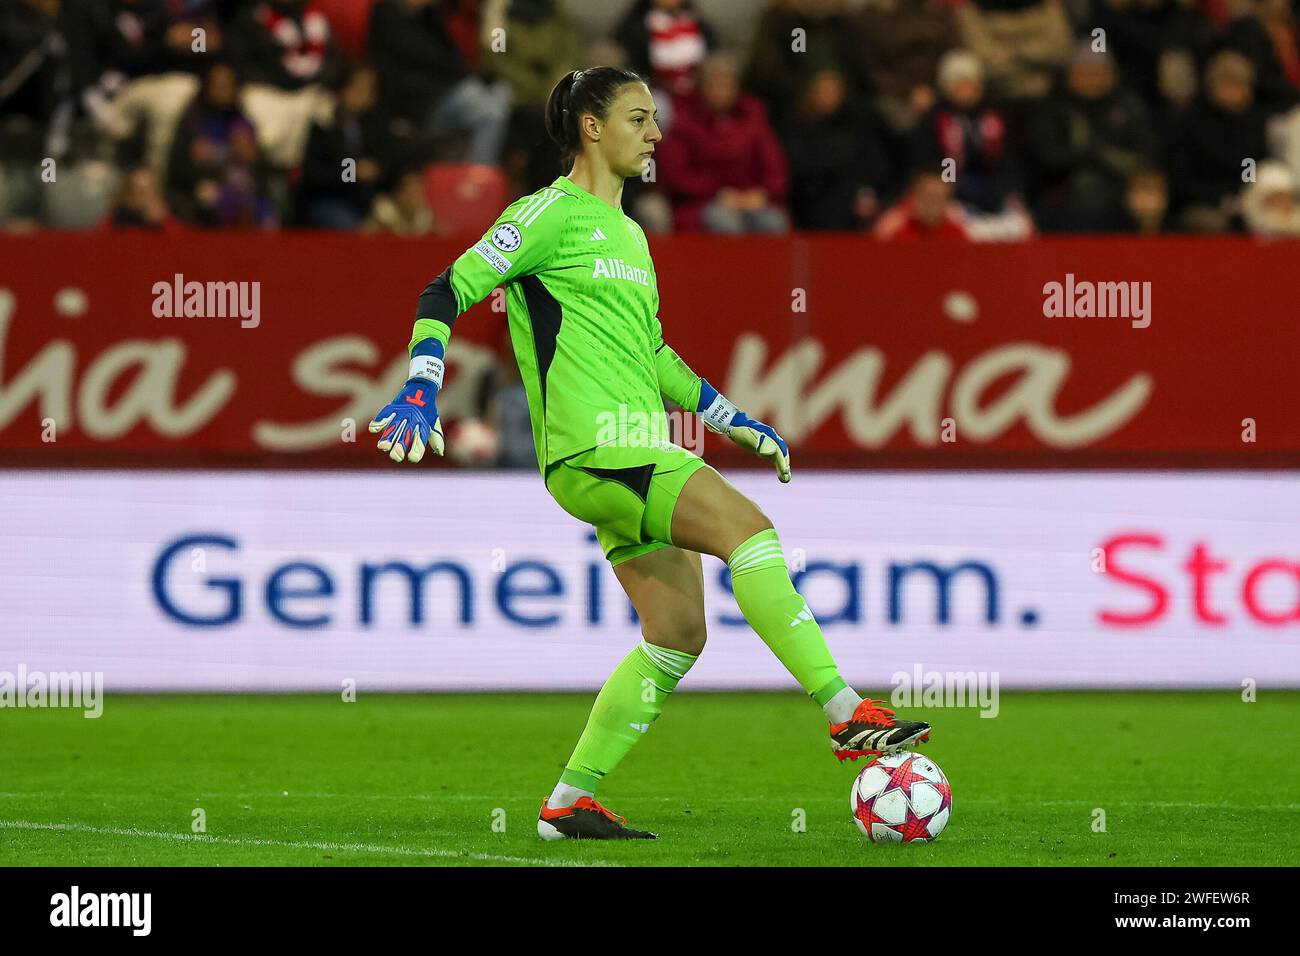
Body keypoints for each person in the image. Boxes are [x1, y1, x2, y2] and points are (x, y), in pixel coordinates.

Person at [366, 67, 931, 841]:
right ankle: (844, 713)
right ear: (592, 127)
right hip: (599, 448)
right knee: (750, 531)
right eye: (639, 118)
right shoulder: (545, 215)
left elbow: (653, 351)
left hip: (627, 453)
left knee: (676, 633)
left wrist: (733, 419)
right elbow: (445, 290)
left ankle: (569, 802)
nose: (656, 133)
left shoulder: (632, 234)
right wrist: (422, 383)